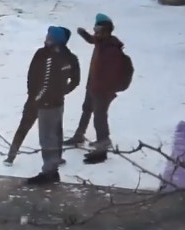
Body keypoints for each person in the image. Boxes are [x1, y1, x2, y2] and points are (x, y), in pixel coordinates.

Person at [65, 13, 132, 164]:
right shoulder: (101, 41)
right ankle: (78, 136)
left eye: (98, 28)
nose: (95, 32)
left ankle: (102, 148)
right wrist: (84, 34)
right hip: (93, 86)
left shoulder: (111, 49)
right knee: (86, 109)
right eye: (95, 28)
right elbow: (92, 40)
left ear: (107, 30)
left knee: (100, 118)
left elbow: (112, 75)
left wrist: (104, 90)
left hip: (102, 90)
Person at [26, 27, 82, 185]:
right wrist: (63, 91)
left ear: (54, 39)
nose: (46, 38)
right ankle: (55, 163)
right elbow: (75, 80)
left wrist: (35, 98)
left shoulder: (43, 54)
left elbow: (33, 78)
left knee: (47, 138)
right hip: (58, 102)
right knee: (56, 133)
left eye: (49, 36)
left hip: (46, 103)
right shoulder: (71, 58)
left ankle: (49, 172)